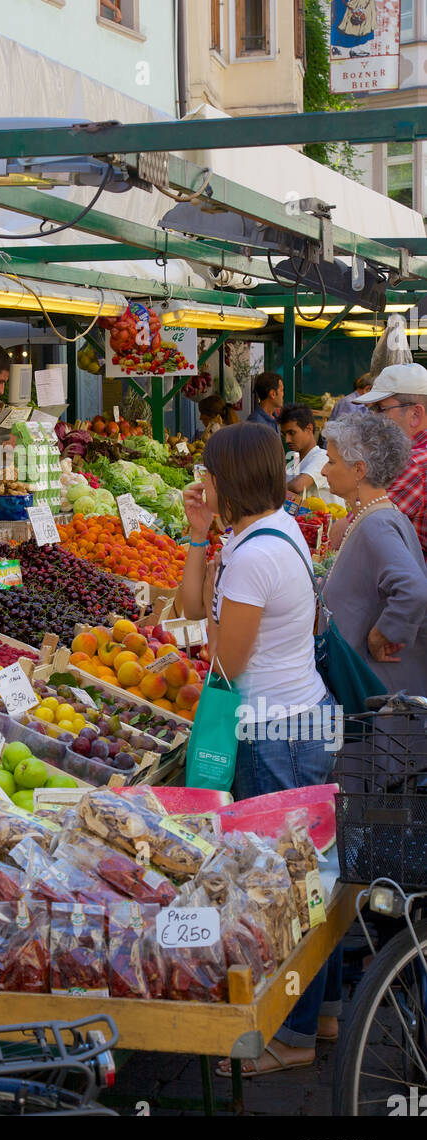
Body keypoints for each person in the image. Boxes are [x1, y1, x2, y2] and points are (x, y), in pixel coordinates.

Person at [180, 423, 341, 1075]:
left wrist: (214, 588)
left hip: (279, 734)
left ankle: (292, 1036)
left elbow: (225, 655)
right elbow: (193, 609)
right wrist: (198, 535)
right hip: (297, 721)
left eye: (208, 475)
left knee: (287, 889)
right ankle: (317, 1016)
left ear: (231, 478)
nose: (203, 483)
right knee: (307, 881)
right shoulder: (266, 533)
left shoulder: (253, 555)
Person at [321, 413, 427, 692]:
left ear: (359, 470)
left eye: (331, 462)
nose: (323, 471)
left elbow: (413, 588)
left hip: (379, 689)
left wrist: (383, 635)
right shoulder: (375, 516)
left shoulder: (376, 524)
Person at [353, 362, 427, 557]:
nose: (374, 418)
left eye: (380, 409)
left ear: (415, 415)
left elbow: (354, 528)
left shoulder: (414, 464)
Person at [278, 403, 343, 505]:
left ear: (309, 428)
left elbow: (298, 486)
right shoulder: (294, 463)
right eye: (284, 434)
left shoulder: (323, 457)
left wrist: (271, 490)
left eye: (292, 433)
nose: (287, 440)